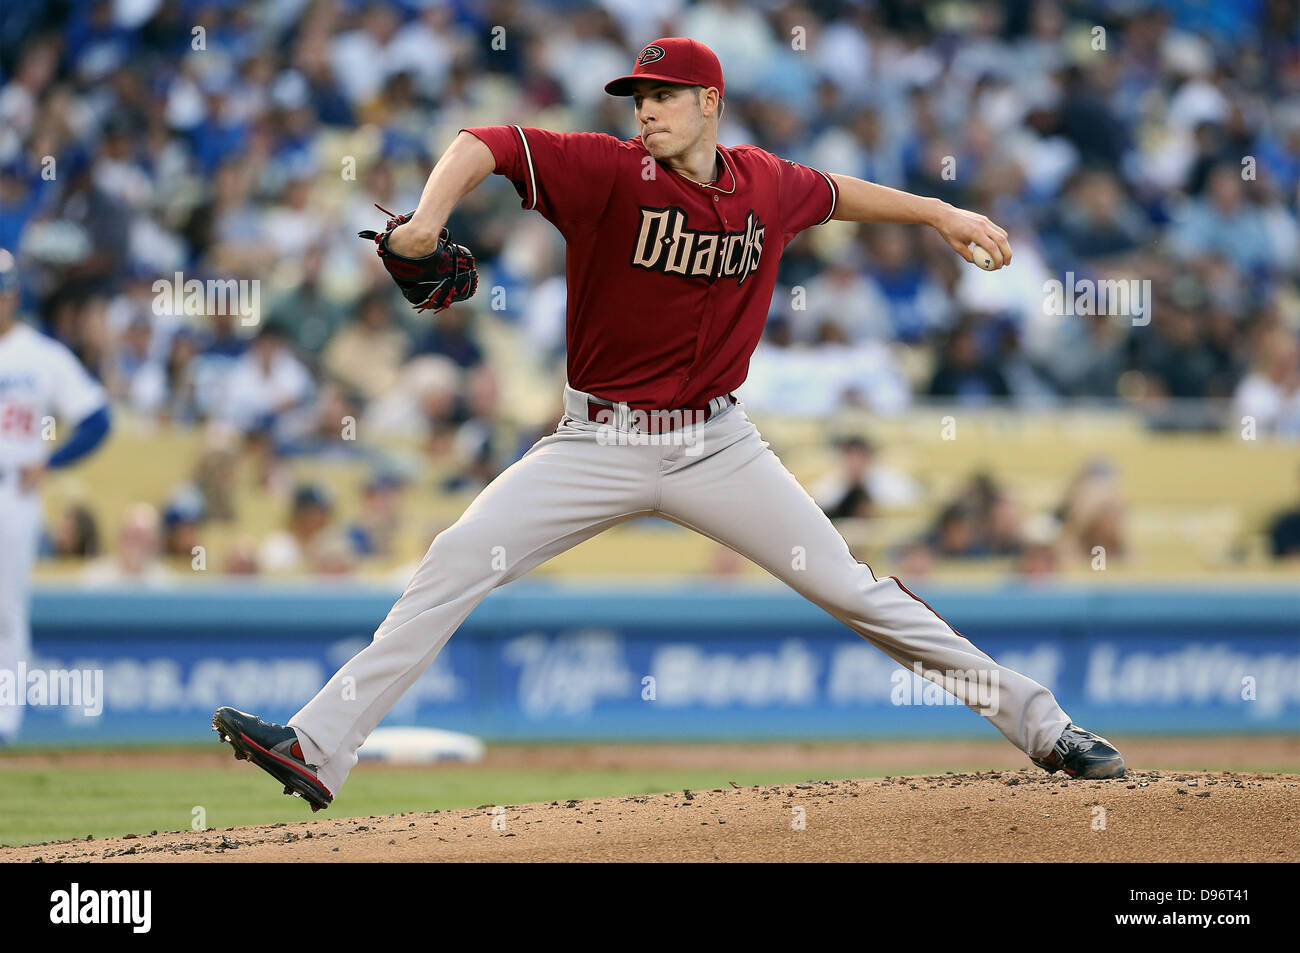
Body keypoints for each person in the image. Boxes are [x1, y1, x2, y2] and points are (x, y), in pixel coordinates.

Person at [214, 38, 1125, 811]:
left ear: (709, 102)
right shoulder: (609, 172)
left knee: (854, 591)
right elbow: (481, 141)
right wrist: (423, 224)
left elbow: (838, 193)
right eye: (637, 96)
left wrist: (940, 211)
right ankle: (320, 745)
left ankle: (1044, 727)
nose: (644, 109)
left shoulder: (765, 183)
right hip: (594, 441)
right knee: (457, 558)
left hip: (718, 445)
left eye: (662, 96)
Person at [0, 248, 112, 743]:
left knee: (5, 609)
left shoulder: (40, 355)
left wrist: (50, 462)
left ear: (13, 295)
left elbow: (97, 420)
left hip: (11, 490)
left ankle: (4, 722)